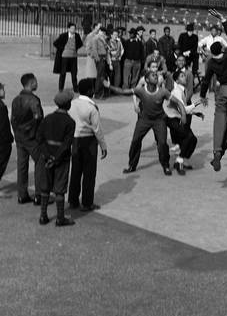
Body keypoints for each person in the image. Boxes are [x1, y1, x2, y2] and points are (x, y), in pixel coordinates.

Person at [198, 9, 227, 172]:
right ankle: (221, 152)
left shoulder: (211, 62)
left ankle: (216, 151)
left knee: (219, 121)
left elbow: (205, 81)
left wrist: (203, 95)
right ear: (223, 49)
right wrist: (223, 19)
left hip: (222, 92)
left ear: (213, 51)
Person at [109, 70, 173, 175]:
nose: (156, 76)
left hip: (159, 120)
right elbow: (122, 91)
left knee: (162, 143)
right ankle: (131, 165)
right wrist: (109, 86)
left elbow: (175, 101)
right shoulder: (141, 90)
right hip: (144, 120)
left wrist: (183, 112)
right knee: (135, 141)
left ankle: (165, 165)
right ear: (147, 80)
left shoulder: (162, 91)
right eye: (153, 75)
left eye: (156, 75)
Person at [36, 90, 77, 226]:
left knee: (45, 188)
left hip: (45, 159)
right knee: (59, 189)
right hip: (61, 160)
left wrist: (48, 156)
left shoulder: (47, 118)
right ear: (68, 105)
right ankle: (60, 218)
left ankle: (43, 216)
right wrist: (55, 158)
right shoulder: (70, 122)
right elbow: (66, 144)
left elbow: (39, 139)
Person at [68, 79, 109, 211]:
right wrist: (103, 146)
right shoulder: (92, 107)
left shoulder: (72, 104)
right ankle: (87, 202)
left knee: (75, 171)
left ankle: (73, 200)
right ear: (90, 91)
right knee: (89, 173)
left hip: (75, 140)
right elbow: (97, 129)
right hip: (89, 141)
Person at [11, 73, 45, 205]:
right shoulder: (34, 100)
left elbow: (12, 120)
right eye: (35, 81)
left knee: (22, 165)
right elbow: (38, 118)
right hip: (32, 137)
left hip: (19, 138)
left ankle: (22, 194)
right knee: (40, 163)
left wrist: (17, 133)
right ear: (31, 83)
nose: (37, 83)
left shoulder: (16, 100)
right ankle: (39, 195)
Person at [165, 69, 203, 175]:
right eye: (182, 76)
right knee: (189, 137)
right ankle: (179, 161)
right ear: (176, 80)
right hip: (172, 119)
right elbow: (184, 109)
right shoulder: (177, 91)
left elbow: (183, 108)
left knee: (193, 139)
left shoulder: (182, 90)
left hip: (178, 118)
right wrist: (197, 103)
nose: (184, 77)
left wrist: (195, 113)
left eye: (184, 76)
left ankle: (181, 159)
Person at [53, 22, 83, 92]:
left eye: (74, 28)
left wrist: (75, 49)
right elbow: (55, 43)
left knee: (74, 73)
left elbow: (80, 44)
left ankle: (75, 88)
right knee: (63, 73)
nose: (73, 30)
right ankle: (61, 88)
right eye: (72, 28)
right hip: (65, 57)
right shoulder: (63, 35)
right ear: (68, 29)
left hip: (73, 57)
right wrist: (62, 48)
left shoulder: (77, 36)